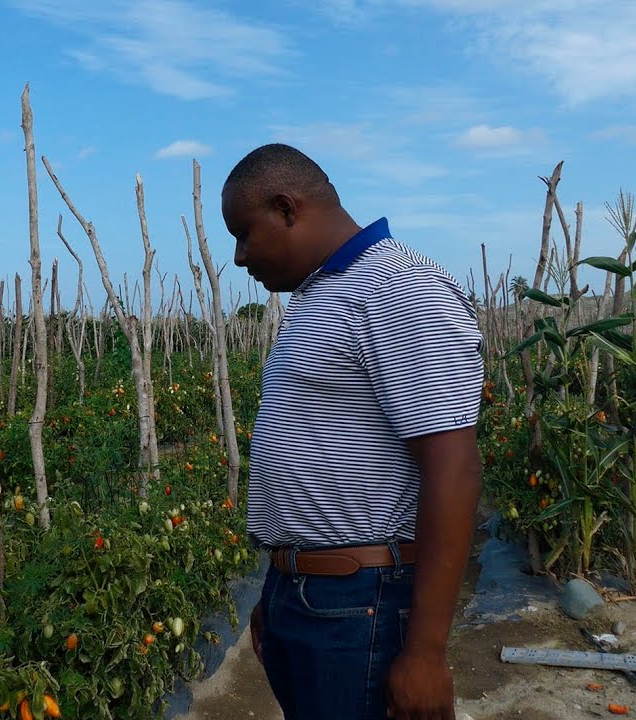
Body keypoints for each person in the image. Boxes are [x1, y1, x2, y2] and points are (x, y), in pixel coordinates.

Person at [221, 143, 484, 720]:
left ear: (288, 209)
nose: (239, 257)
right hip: (312, 596)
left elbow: (454, 465)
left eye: (244, 233)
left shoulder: (396, 288)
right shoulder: (321, 294)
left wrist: (425, 653)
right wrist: (280, 583)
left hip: (360, 603)